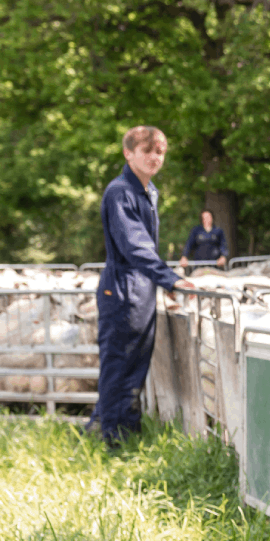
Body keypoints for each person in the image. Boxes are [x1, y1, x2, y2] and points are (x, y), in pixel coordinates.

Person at [91, 126, 195, 444]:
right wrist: (169, 278)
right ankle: (112, 440)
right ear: (128, 153)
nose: (154, 157)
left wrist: (159, 280)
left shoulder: (148, 192)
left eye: (160, 151)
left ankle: (114, 432)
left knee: (135, 364)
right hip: (123, 288)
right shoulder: (120, 191)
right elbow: (135, 245)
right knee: (119, 364)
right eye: (146, 150)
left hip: (142, 289)